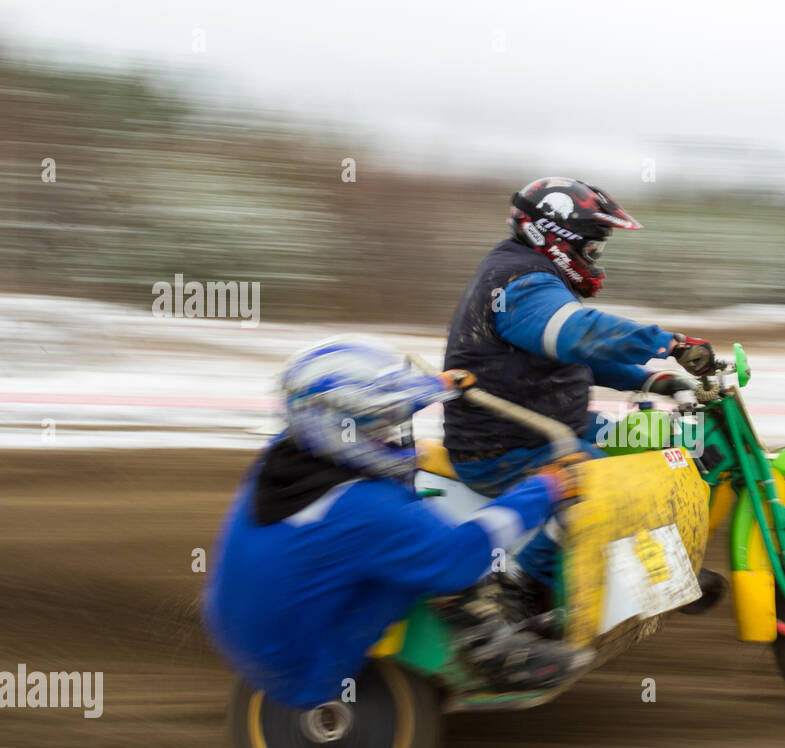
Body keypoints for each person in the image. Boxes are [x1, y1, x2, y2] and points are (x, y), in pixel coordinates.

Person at [202, 336, 591, 708]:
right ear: (342, 430)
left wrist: (435, 386)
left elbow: (353, 414)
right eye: (381, 424)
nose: (392, 433)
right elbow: (460, 556)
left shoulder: (281, 454)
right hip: (303, 673)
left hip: (236, 627)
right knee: (444, 553)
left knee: (406, 528)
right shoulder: (363, 509)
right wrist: (546, 488)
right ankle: (491, 654)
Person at [441, 176, 715, 620]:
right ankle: (518, 587)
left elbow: (573, 353)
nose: (595, 258)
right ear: (554, 239)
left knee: (662, 437)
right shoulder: (520, 282)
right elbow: (577, 335)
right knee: (616, 485)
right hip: (505, 444)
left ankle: (648, 561)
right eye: (591, 247)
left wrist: (651, 382)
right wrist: (672, 344)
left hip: (548, 423)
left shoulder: (530, 273)